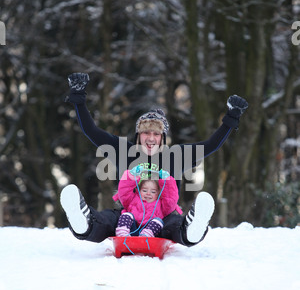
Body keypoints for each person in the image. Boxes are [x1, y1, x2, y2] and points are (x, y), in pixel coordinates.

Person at [60, 73, 248, 246]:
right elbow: (91, 131)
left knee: (174, 223)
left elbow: (211, 145)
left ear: (162, 138)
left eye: (156, 134)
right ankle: (84, 222)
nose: (151, 138)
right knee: (108, 219)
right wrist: (79, 99)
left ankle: (191, 230)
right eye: (146, 132)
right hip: (127, 218)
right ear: (138, 135)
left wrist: (231, 118)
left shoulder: (175, 156)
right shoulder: (123, 150)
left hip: (162, 218)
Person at [113, 166, 182, 238]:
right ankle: (122, 234)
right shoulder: (132, 199)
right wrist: (131, 176)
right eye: (144, 190)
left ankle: (146, 236)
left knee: (158, 221)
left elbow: (171, 199)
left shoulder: (162, 205)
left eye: (153, 192)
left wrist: (167, 181)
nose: (148, 193)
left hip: (150, 233)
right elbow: (124, 192)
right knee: (127, 215)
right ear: (139, 190)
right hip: (131, 230)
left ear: (158, 193)